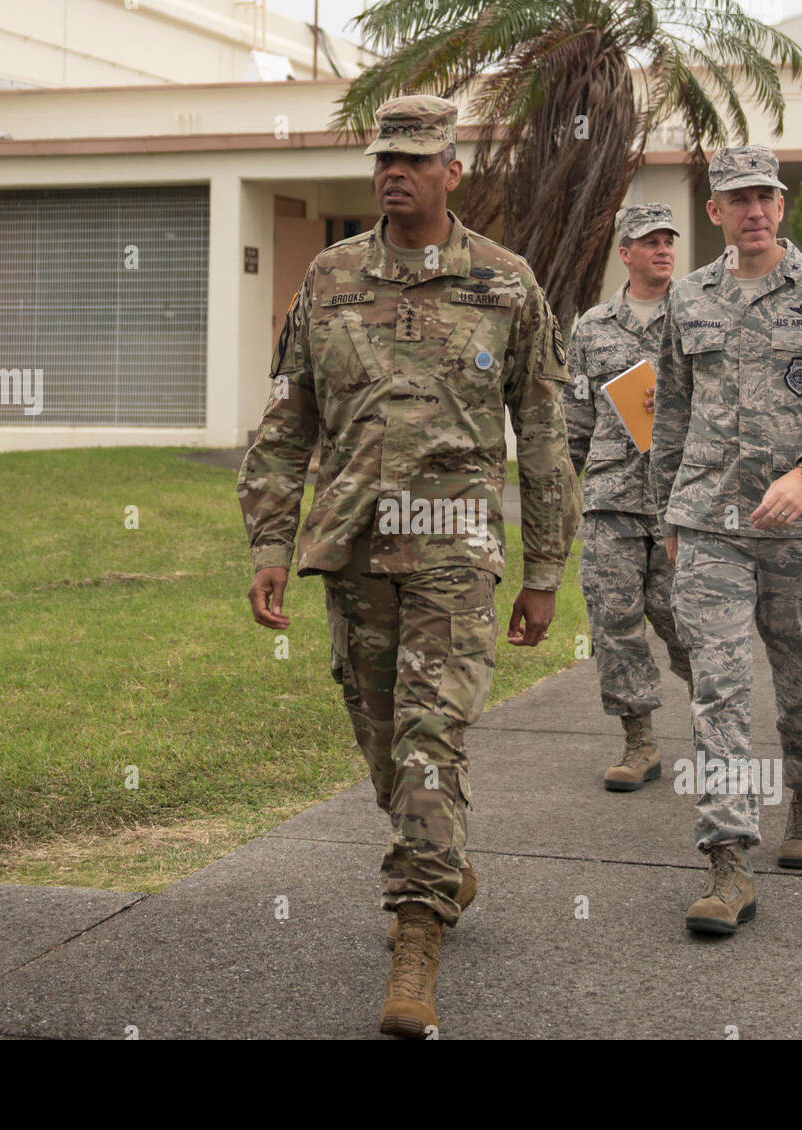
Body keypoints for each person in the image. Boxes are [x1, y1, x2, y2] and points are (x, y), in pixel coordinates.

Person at [237, 94, 579, 1036]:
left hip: (455, 555)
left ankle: (415, 936)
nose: (396, 172)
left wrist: (545, 567)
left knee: (433, 742)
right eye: (386, 156)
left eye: (417, 159)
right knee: (387, 747)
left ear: (452, 172)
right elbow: (286, 420)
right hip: (352, 550)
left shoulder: (506, 285)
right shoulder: (330, 279)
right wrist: (271, 541)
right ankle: (444, 857)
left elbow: (545, 435)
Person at [652, 145, 802, 935]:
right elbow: (669, 417)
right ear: (714, 212)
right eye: (737, 199)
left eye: (766, 197)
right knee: (718, 687)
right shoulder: (687, 298)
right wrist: (668, 520)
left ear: (782, 207)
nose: (754, 210)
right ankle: (727, 861)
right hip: (711, 522)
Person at [563, 203, 691, 792]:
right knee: (614, 622)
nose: (664, 248)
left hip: (683, 500)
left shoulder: (698, 315)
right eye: (650, 240)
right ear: (626, 252)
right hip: (611, 497)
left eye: (669, 239)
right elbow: (576, 418)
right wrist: (561, 487)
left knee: (685, 622)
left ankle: (719, 726)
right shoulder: (592, 328)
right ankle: (638, 742)